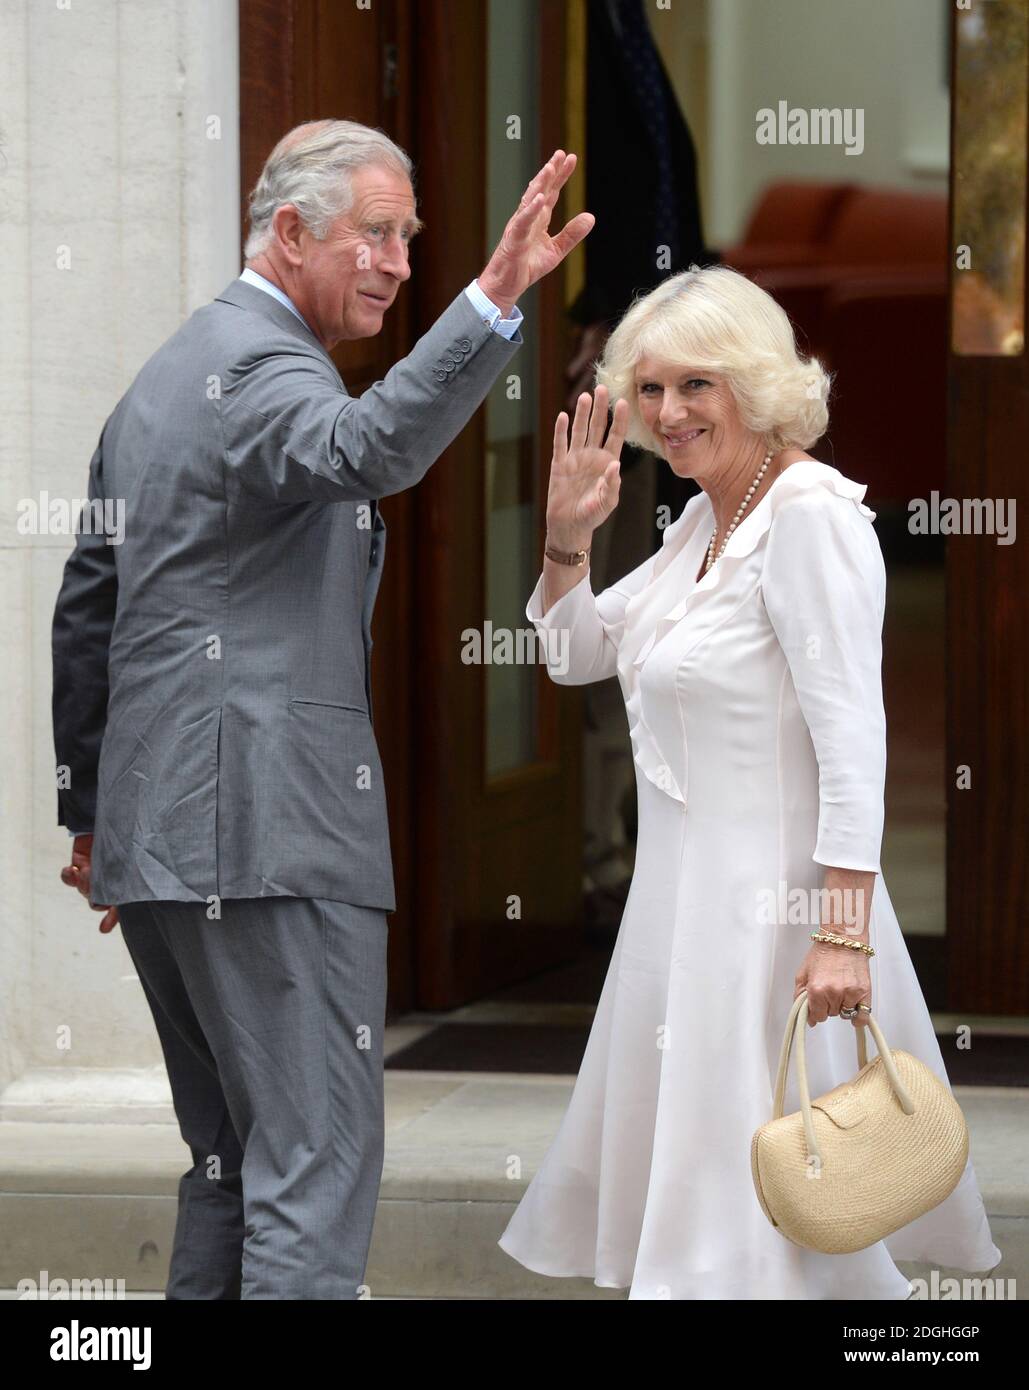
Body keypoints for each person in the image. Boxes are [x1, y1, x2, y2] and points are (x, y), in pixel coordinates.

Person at [51, 119, 592, 1299]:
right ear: (289, 234)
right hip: (268, 838)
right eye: (379, 234)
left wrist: (97, 816)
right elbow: (369, 447)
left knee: (233, 1167)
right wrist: (493, 299)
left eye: (414, 238)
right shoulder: (258, 368)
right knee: (314, 1166)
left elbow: (88, 603)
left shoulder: (165, 378)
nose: (401, 261)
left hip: (172, 845)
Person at [497, 265, 1002, 1299]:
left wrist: (841, 928)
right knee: (718, 1203)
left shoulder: (807, 513)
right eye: (650, 389)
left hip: (775, 920)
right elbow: (574, 652)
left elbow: (853, 736)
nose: (668, 413)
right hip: (679, 913)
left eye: (697, 387)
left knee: (778, 1206)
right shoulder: (701, 523)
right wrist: (566, 540)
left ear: (759, 384)